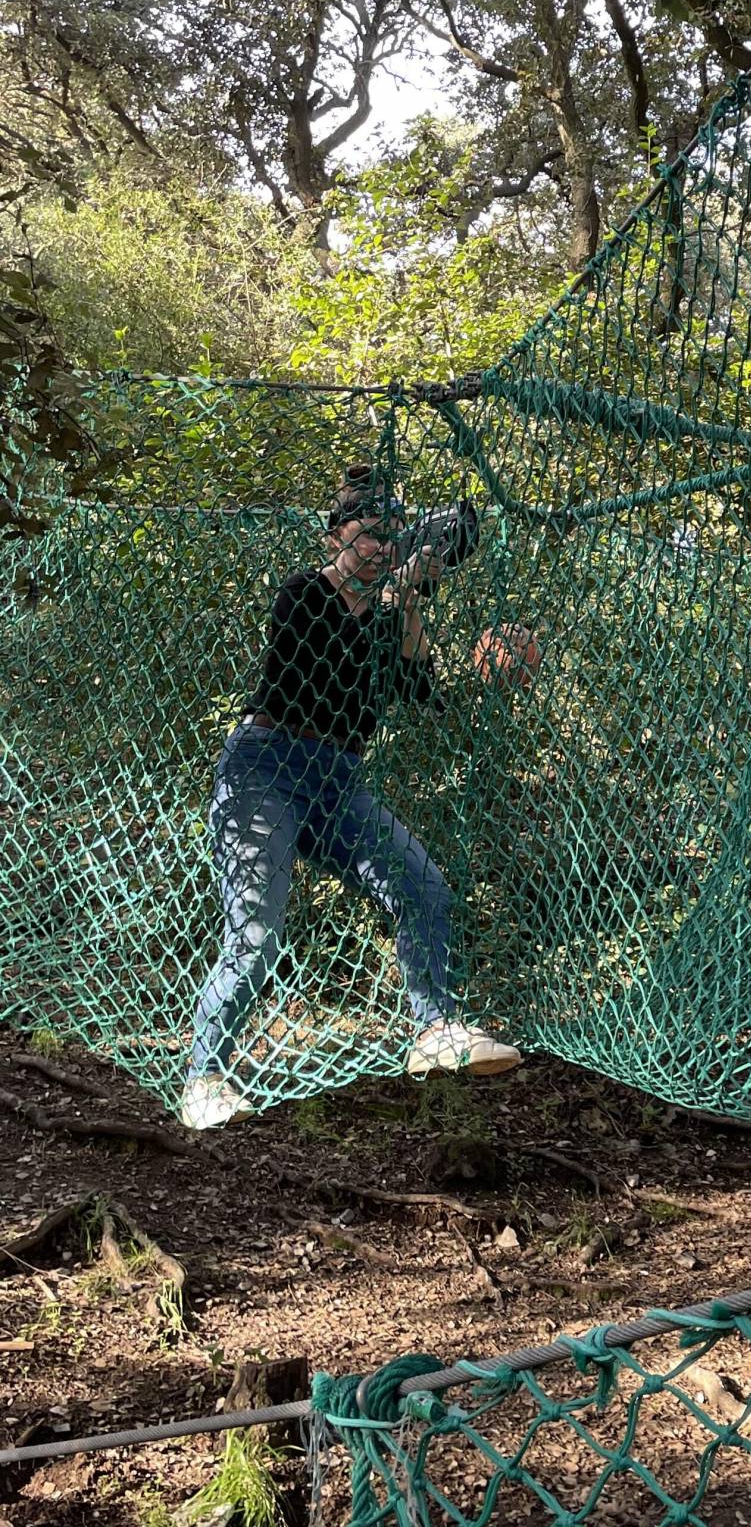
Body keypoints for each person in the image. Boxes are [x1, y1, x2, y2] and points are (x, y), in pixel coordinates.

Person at [179, 466, 540, 1132]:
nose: (381, 547)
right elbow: (313, 654)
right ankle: (205, 1077)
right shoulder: (303, 594)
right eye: (368, 534)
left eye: (392, 537)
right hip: (265, 770)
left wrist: (410, 604)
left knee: (425, 889)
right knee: (257, 933)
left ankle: (433, 1030)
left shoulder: (385, 612)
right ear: (334, 538)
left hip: (338, 781)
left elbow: (423, 692)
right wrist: (395, 591)